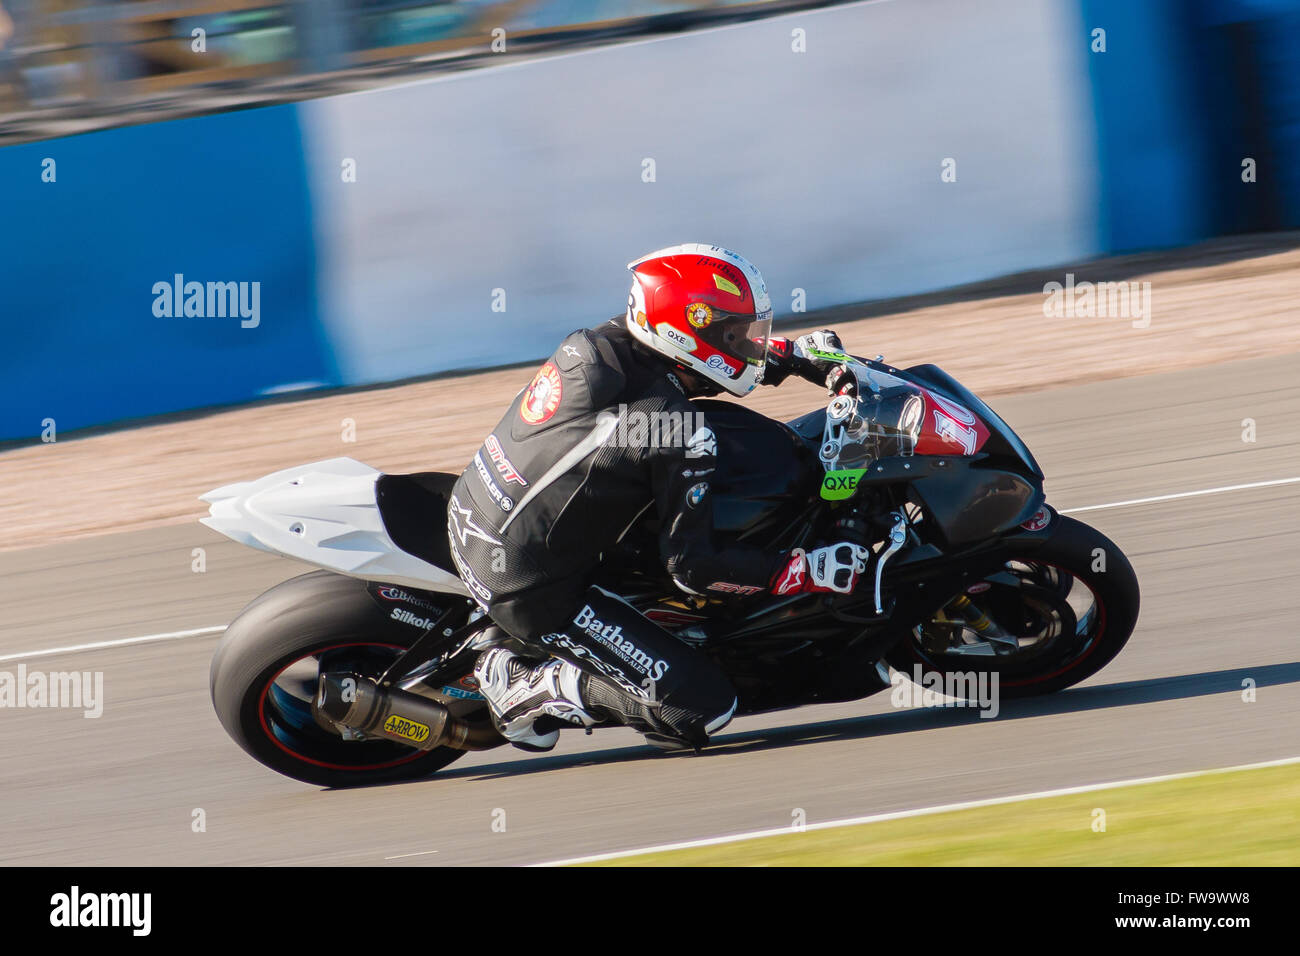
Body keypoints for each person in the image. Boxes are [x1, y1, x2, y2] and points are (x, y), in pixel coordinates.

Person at [448, 243, 872, 752]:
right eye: (737, 335)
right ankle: (523, 686)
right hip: (529, 585)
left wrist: (795, 358)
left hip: (474, 507)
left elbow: (696, 371)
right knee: (703, 707)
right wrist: (803, 570)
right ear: (684, 331)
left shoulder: (598, 342)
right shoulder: (676, 432)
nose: (750, 344)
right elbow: (693, 568)